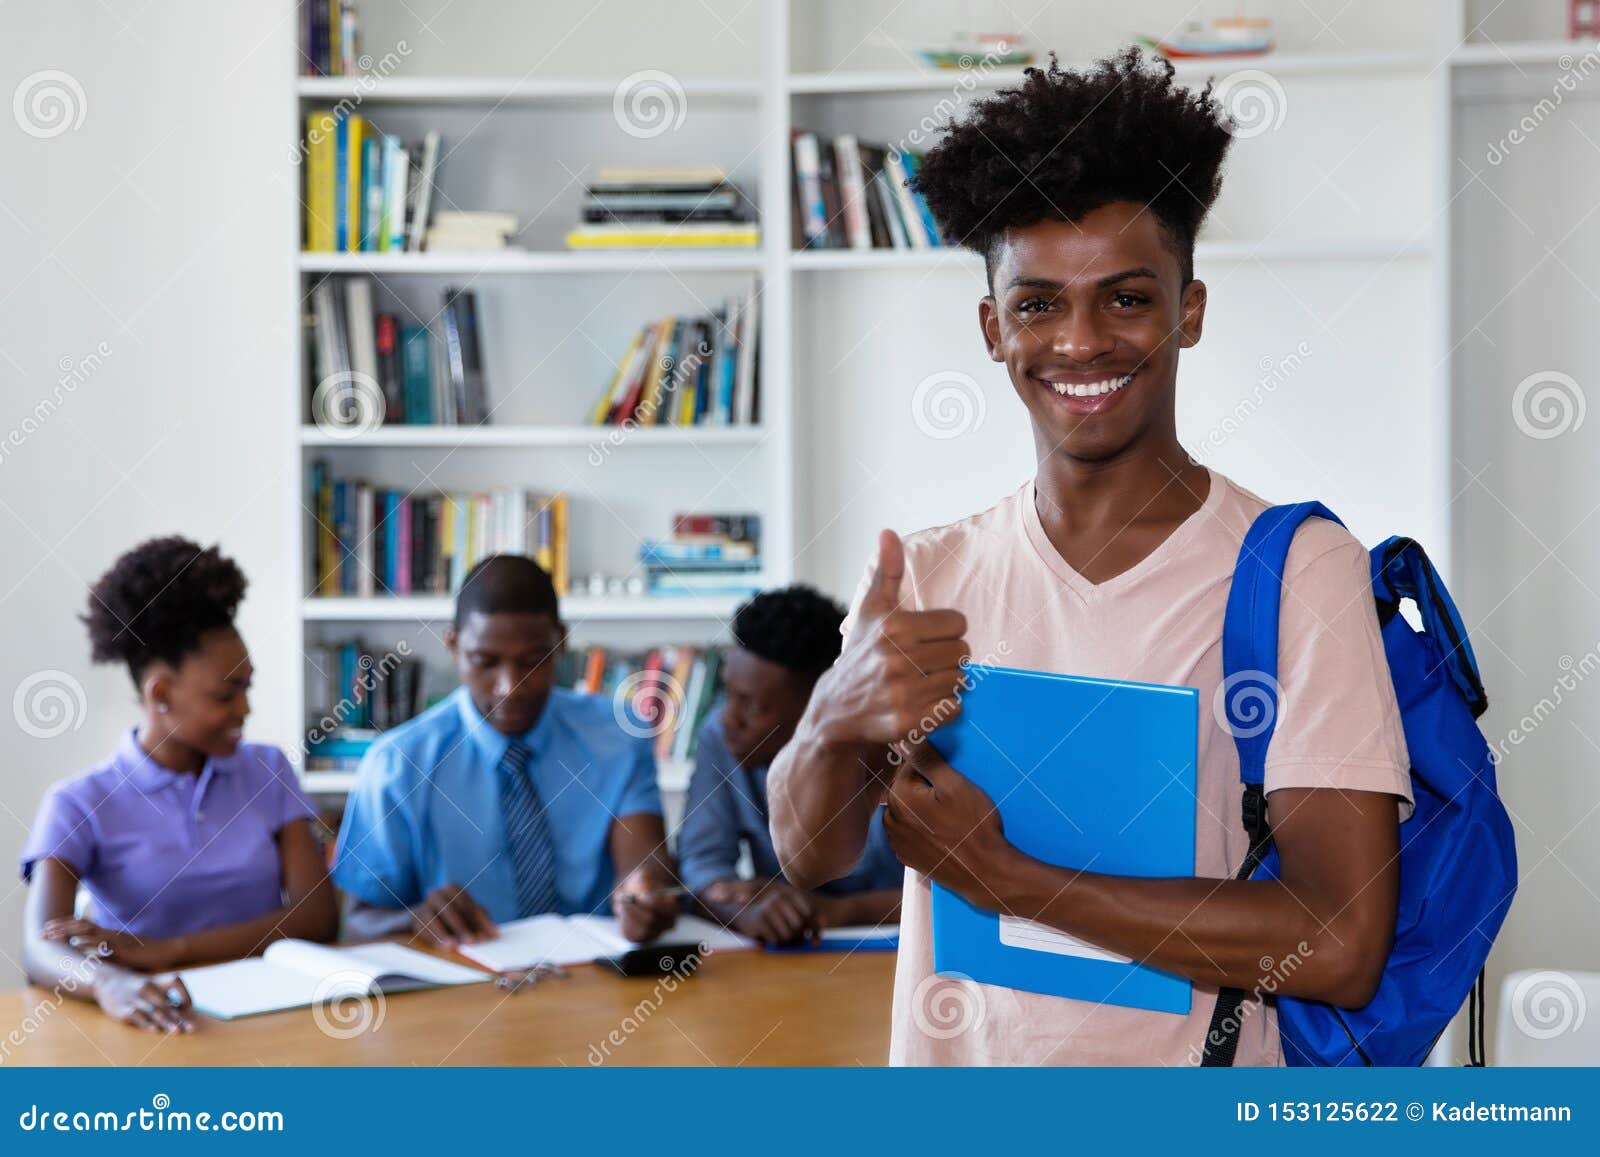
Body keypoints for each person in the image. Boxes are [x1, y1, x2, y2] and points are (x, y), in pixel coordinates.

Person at [767, 48, 1413, 1066]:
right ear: (993, 328)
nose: (1080, 341)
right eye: (1036, 303)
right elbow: (811, 856)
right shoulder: (927, 573)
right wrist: (829, 719)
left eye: (1125, 298)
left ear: (1187, 310)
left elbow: (1337, 941)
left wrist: (1014, 879)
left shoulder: (1296, 570)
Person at [20, 537, 337, 1034]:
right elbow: (41, 949)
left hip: (275, 1017)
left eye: (247, 687)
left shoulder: (268, 770)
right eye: (226, 694)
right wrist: (109, 983)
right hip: (154, 1020)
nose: (245, 710)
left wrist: (163, 952)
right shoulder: (78, 801)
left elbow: (316, 917)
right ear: (160, 694)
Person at [332, 554, 678, 947]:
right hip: (463, 990)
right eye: (485, 662)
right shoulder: (397, 764)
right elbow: (356, 925)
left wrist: (643, 896)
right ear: (453, 644)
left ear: (561, 642)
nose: (509, 687)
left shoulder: (618, 738)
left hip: (595, 983)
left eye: (533, 661)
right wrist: (414, 920)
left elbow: (643, 864)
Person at [677, 585, 903, 945]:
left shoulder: (899, 747)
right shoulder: (721, 738)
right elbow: (702, 867)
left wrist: (838, 912)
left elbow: (950, 890)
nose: (729, 718)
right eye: (728, 694)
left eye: (752, 705)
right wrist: (745, 911)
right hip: (790, 955)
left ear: (820, 705)